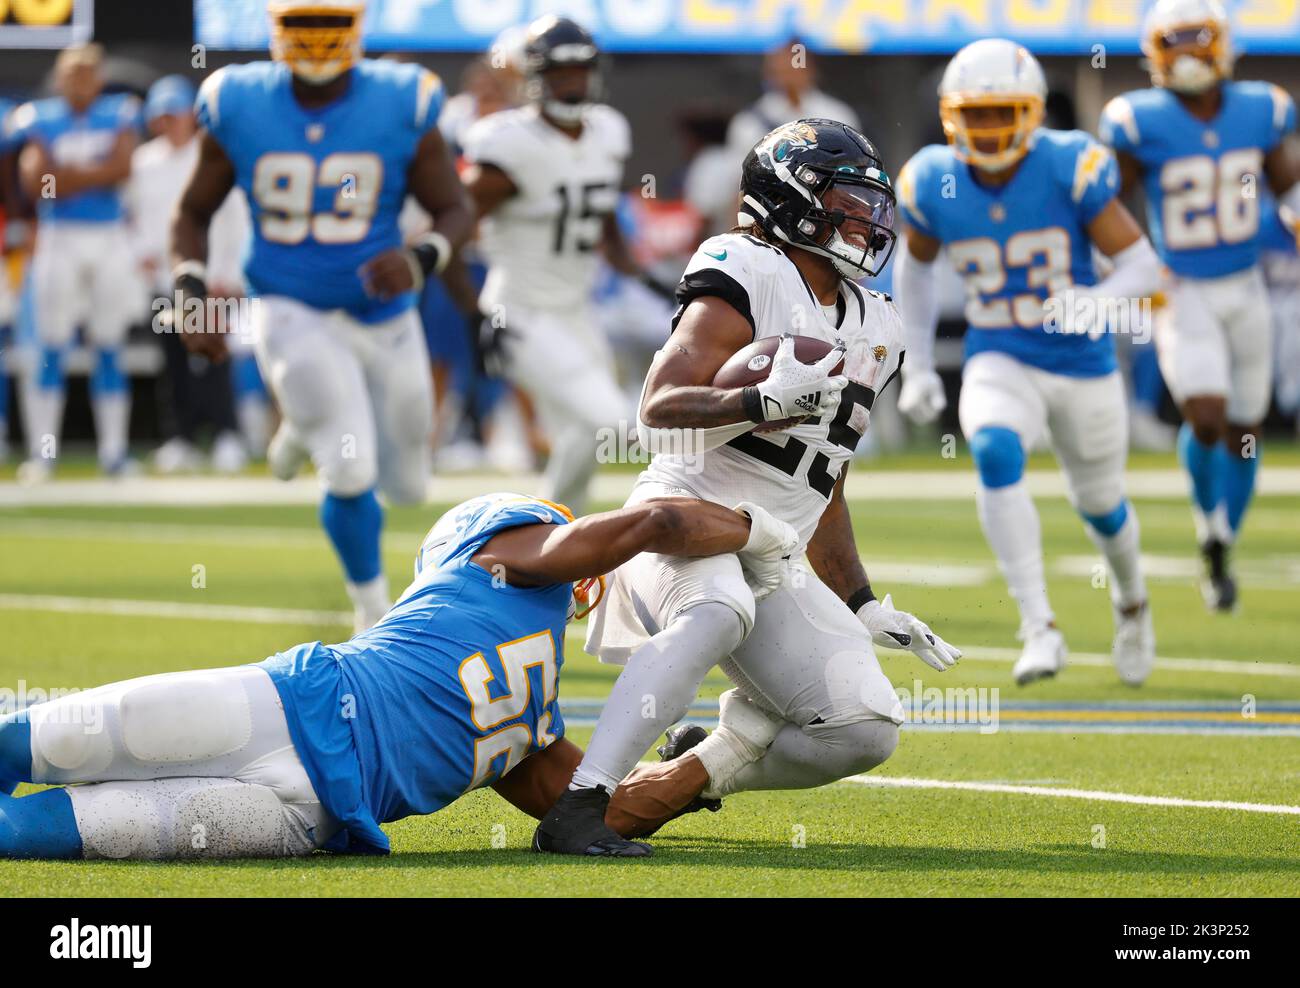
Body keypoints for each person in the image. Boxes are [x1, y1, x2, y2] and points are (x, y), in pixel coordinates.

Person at [534, 118, 961, 858]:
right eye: (846, 200)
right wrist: (753, 404)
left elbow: (825, 476)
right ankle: (582, 802)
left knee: (863, 730)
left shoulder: (879, 326)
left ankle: (710, 755)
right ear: (790, 200)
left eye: (870, 204)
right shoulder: (747, 266)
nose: (866, 219)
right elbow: (657, 411)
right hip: (683, 523)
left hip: (773, 552)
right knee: (717, 607)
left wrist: (860, 600)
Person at [0, 492, 800, 860]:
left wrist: (711, 763)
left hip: (311, 815)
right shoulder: (500, 567)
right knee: (45, 748)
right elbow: (656, 521)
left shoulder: (533, 723)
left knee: (35, 827)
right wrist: (763, 529)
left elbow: (596, 812)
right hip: (292, 714)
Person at [171, 0, 474, 632]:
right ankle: (373, 616)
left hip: (387, 314)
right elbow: (193, 212)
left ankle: (300, 427)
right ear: (278, 28)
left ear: (356, 27)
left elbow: (454, 207)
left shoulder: (401, 99)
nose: (315, 40)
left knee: (411, 485)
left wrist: (419, 259)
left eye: (329, 24)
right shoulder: (239, 101)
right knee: (350, 465)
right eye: (302, 24)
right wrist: (190, 290)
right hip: (291, 305)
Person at [893, 39, 1163, 687]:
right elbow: (917, 271)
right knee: (992, 450)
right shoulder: (934, 179)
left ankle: (1132, 603)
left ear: (1034, 111)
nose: (988, 129)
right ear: (951, 115)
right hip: (1000, 352)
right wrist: (919, 365)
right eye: (975, 114)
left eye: (1002, 112)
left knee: (1100, 504)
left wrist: (1098, 302)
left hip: (1082, 363)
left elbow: (1143, 263)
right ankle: (1039, 625)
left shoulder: (1070, 164)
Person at [1099, 0, 1299, 612]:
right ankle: (1206, 518)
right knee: (1206, 415)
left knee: (1244, 429)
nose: (1186, 57)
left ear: (1221, 46)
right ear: (1156, 55)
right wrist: (1127, 265)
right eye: (1174, 44)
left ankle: (1220, 543)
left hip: (1246, 285)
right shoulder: (1137, 120)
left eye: (1196, 42)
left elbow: (1287, 182)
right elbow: (1109, 198)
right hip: (1182, 288)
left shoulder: (1262, 109)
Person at [461, 14, 644, 512]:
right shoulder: (508, 143)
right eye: (560, 73)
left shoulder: (608, 131)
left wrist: (638, 270)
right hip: (520, 311)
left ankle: (551, 544)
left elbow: (600, 209)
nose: (572, 83)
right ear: (534, 78)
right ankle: (549, 536)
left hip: (576, 308)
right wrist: (472, 313)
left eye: (580, 71)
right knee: (612, 422)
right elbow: (453, 220)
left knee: (583, 438)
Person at [9, 44, 141, 482]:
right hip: (60, 238)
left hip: (108, 238)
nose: (81, 82)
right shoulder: (38, 117)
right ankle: (44, 454)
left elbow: (123, 169)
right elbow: (38, 187)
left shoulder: (120, 112)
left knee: (109, 343)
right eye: (73, 73)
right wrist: (94, 173)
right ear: (60, 78)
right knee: (50, 346)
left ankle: (114, 453)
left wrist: (67, 175)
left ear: (100, 78)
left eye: (89, 73)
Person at [126, 74, 248, 474]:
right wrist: (143, 254)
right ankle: (181, 438)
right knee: (173, 362)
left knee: (212, 357)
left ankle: (228, 436)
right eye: (162, 116)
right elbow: (140, 216)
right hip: (165, 281)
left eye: (175, 114)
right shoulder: (144, 162)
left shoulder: (211, 155)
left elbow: (232, 220)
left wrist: (226, 275)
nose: (169, 122)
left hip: (209, 279)